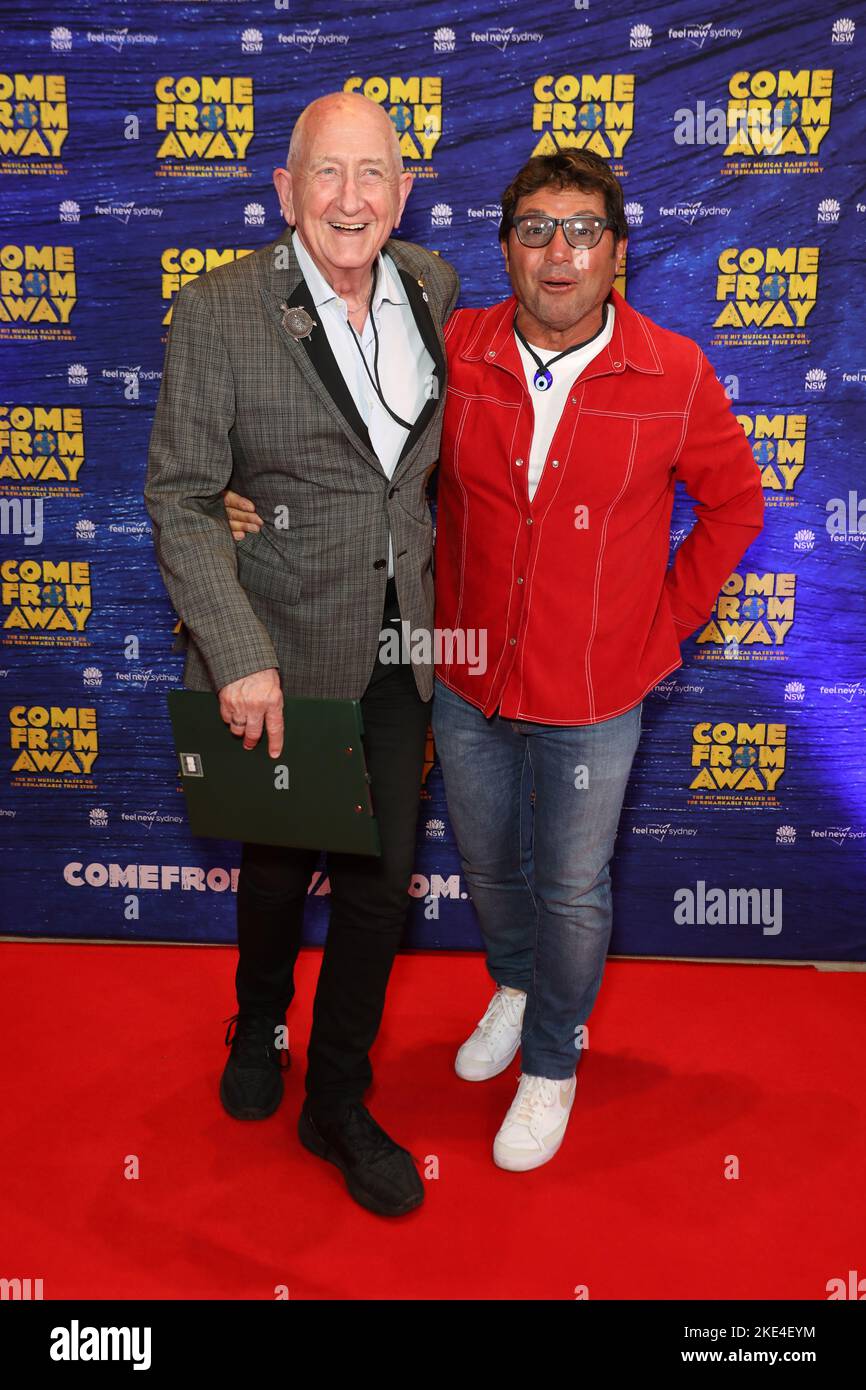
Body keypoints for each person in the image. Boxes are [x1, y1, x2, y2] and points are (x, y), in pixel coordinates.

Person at [223, 149, 764, 1175]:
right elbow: (343, 440)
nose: (557, 254)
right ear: (504, 246)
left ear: (616, 250)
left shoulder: (673, 370)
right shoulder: (452, 347)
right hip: (461, 672)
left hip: (596, 690)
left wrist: (661, 624)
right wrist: (237, 489)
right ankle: (514, 985)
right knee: (482, 864)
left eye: (581, 232)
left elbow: (735, 507)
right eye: (533, 230)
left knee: (568, 885)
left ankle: (553, 1058)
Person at [144, 91, 459, 1217]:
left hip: (399, 643)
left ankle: (337, 1096)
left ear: (402, 190)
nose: (349, 199)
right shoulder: (220, 308)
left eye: (371, 173)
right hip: (275, 642)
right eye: (325, 174)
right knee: (277, 869)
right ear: (283, 191)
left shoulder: (430, 284)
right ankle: (260, 1016)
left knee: (380, 890)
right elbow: (183, 499)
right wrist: (235, 653)